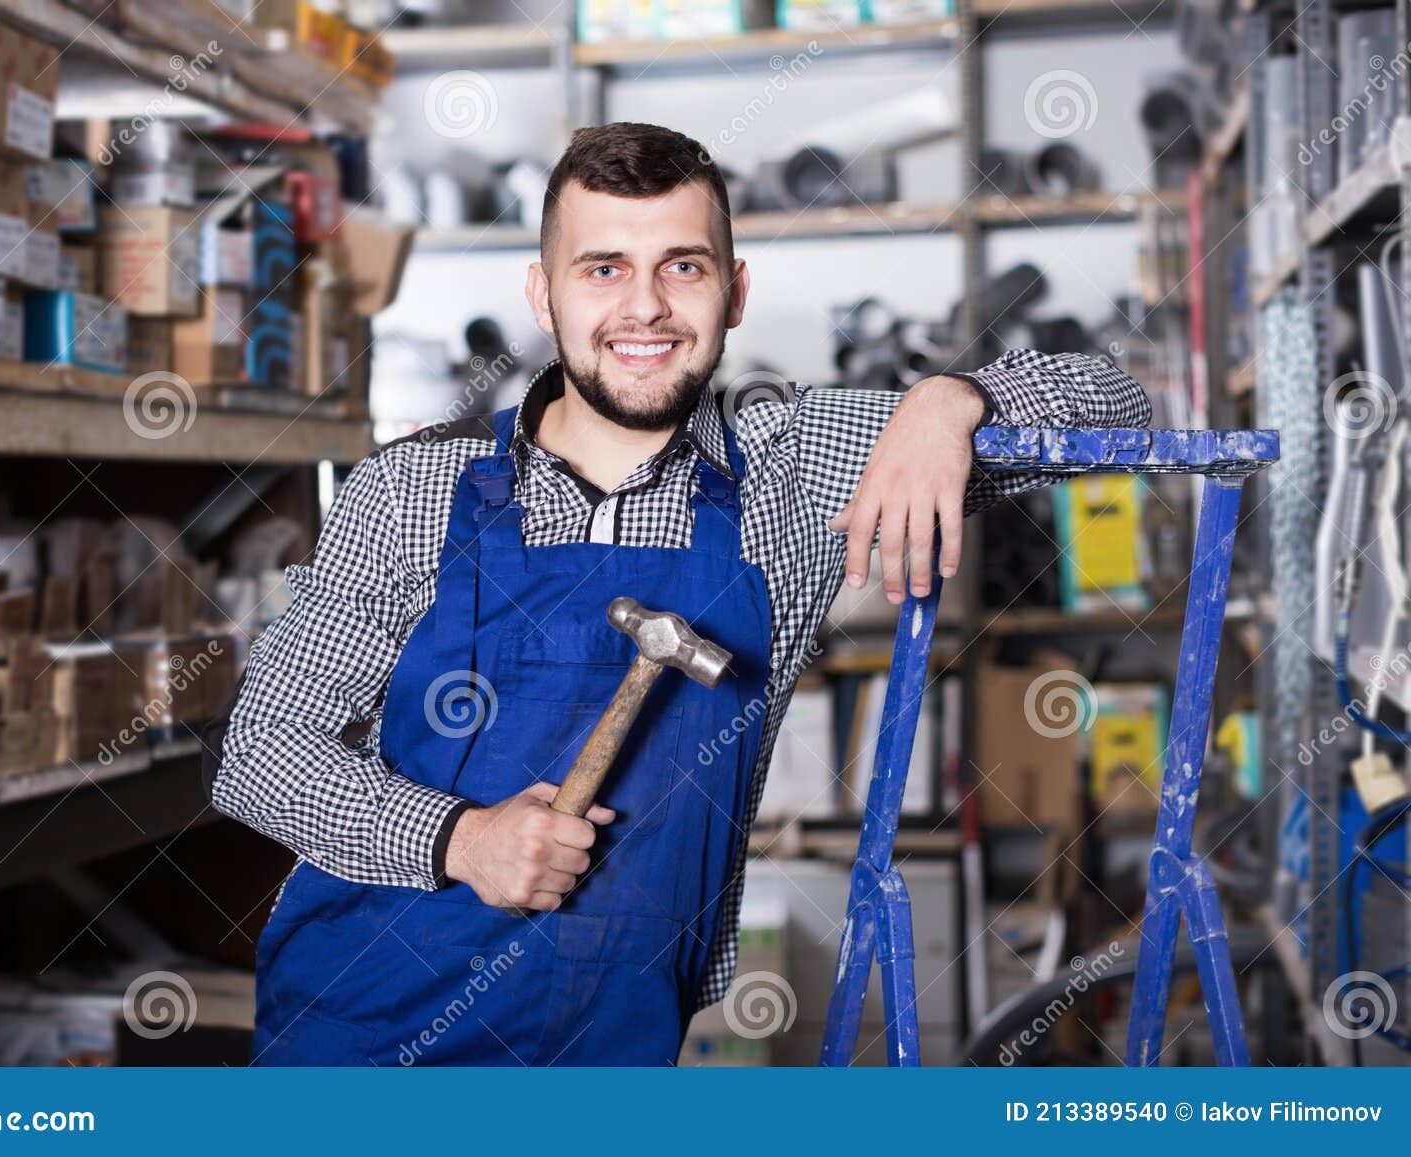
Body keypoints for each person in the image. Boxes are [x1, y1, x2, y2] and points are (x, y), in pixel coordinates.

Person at [207, 121, 1151, 1065]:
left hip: (612, 1052)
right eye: (604, 268)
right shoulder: (410, 492)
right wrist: (459, 840)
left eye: (684, 268)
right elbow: (257, 754)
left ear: (735, 293)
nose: (646, 308)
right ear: (544, 294)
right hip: (362, 1036)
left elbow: (1122, 404)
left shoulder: (791, 474)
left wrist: (949, 402)